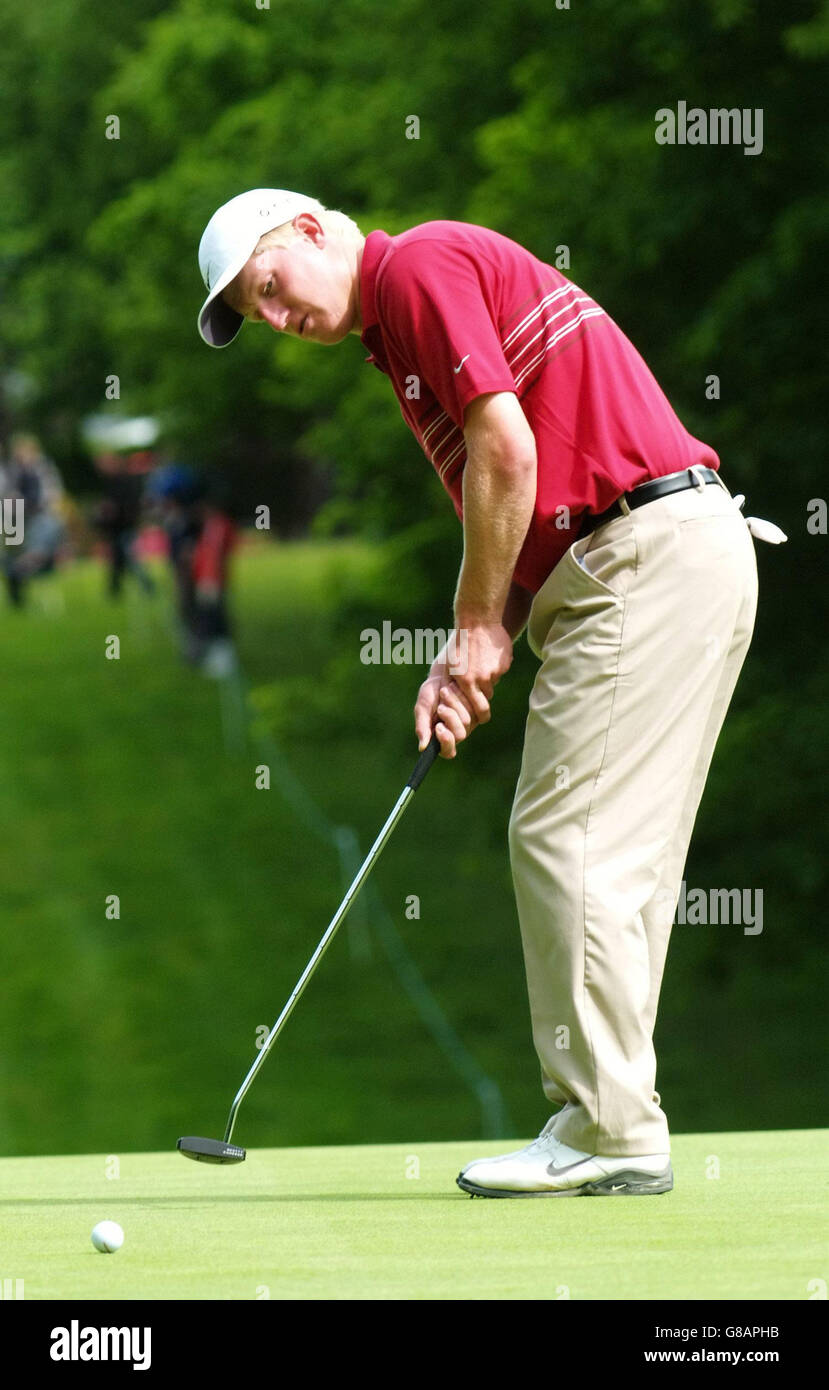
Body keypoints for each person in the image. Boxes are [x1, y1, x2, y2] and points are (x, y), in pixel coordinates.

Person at [195, 189, 785, 1198]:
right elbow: (520, 500)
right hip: (662, 556)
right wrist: (473, 644)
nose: (282, 321)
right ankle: (615, 1119)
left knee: (566, 840)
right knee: (614, 858)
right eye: (261, 320)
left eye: (269, 289)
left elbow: (507, 455)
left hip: (643, 558)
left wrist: (474, 628)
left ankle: (607, 1126)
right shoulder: (400, 328)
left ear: (305, 230)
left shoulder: (415, 267)